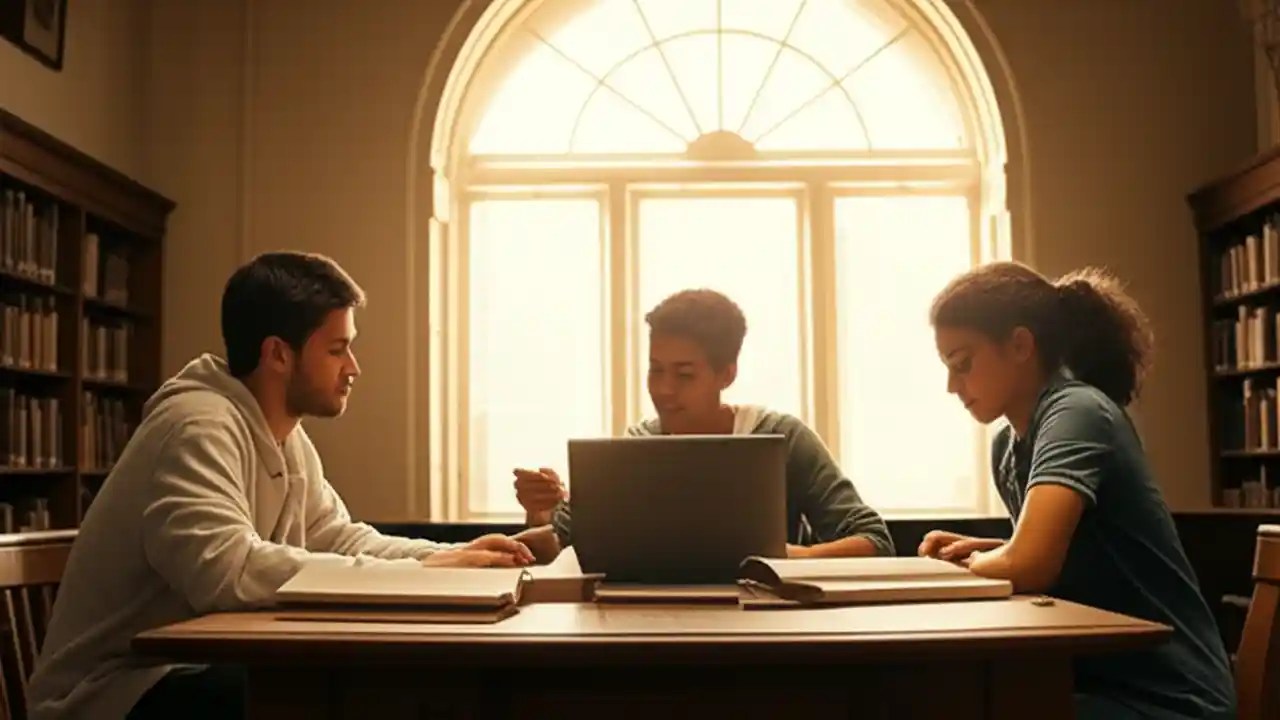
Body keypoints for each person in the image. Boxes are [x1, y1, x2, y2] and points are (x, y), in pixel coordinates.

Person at [28, 251, 536, 720]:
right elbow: (228, 572)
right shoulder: (196, 427)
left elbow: (341, 538)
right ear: (278, 354)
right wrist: (425, 574)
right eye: (338, 349)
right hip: (110, 694)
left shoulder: (282, 435)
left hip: (177, 672)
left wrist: (444, 560)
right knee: (335, 696)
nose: (354, 368)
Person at [920, 261, 1236, 719]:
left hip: (1172, 697)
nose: (952, 386)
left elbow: (1030, 567)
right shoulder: (1008, 446)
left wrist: (986, 562)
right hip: (1098, 682)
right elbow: (1060, 559)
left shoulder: (1076, 411)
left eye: (963, 363)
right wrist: (997, 549)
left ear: (1020, 345)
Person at [515, 288, 893, 559]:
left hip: (765, 628)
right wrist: (541, 512)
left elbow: (874, 539)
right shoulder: (636, 445)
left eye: (684, 375)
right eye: (655, 370)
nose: (663, 389)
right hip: (648, 625)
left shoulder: (781, 437)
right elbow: (560, 542)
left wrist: (795, 558)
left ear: (725, 374)